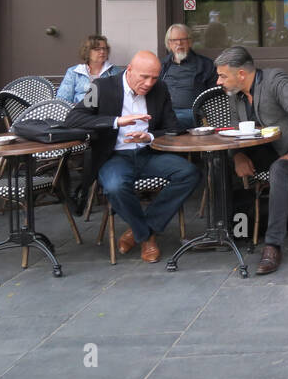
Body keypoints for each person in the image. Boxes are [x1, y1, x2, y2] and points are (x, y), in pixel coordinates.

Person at [66, 51, 199, 262]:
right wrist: (117, 121)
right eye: (144, 77)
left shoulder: (160, 89)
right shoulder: (100, 87)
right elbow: (74, 118)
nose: (149, 83)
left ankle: (142, 229)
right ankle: (146, 237)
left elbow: (172, 128)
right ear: (129, 70)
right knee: (115, 187)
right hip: (114, 156)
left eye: (154, 78)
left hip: (149, 153)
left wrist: (149, 136)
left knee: (189, 173)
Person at [215, 46, 288, 276]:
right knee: (217, 161)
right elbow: (233, 130)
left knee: (278, 169)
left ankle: (272, 246)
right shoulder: (236, 95)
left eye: (222, 75)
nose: (218, 82)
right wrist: (237, 155)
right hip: (266, 151)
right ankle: (231, 229)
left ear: (241, 74)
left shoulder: (274, 79)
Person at [159, 23, 217, 129]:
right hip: (166, 111)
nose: (179, 43)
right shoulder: (161, 66)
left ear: (190, 42)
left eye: (183, 39)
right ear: (169, 44)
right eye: (174, 40)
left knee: (173, 121)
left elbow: (214, 94)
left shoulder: (205, 65)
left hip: (192, 112)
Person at [55, 35, 119, 104]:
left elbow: (121, 98)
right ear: (87, 51)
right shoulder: (74, 72)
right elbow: (62, 99)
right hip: (79, 112)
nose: (102, 51)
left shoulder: (115, 72)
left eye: (104, 48)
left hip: (106, 112)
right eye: (97, 49)